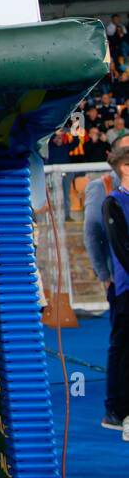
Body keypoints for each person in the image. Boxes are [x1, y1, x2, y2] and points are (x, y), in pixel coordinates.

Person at [99, 139, 129, 436]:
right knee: (122, 349)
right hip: (126, 289)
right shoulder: (113, 201)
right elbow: (122, 249)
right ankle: (116, 410)